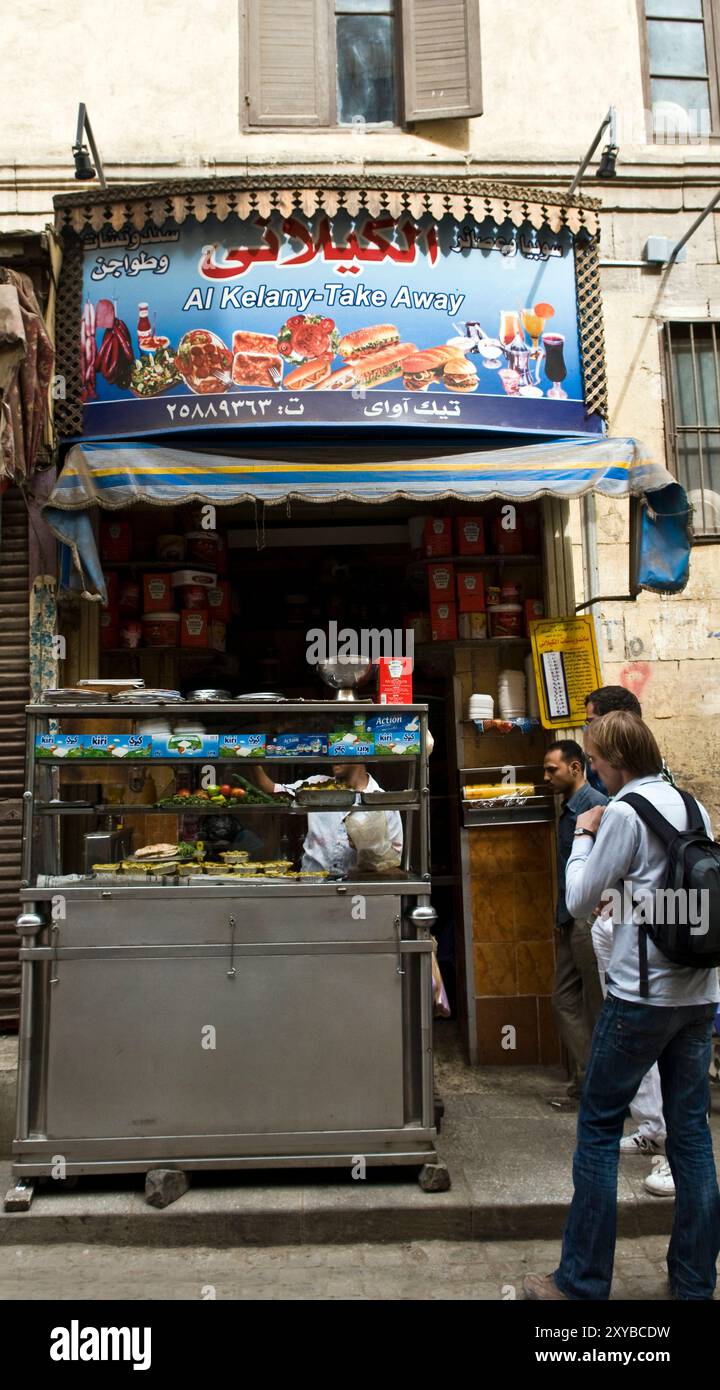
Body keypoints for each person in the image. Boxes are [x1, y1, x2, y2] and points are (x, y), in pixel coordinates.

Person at [524, 711, 720, 1301]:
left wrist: (584, 835)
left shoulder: (623, 812)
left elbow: (581, 899)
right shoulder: (692, 805)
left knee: (599, 1126)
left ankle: (580, 1283)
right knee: (691, 1133)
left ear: (611, 760)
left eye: (596, 759)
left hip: (641, 997)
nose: (597, 771)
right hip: (698, 993)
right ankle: (693, 1283)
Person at [585, 686, 670, 1167]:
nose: (587, 741)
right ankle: (651, 1129)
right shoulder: (631, 787)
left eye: (593, 723)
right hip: (624, 925)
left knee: (646, 1042)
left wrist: (585, 844)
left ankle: (667, 1152)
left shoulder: (638, 792)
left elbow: (646, 865)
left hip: (644, 939)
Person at [543, 740, 608, 1110]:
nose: (547, 777)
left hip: (589, 917)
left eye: (553, 769)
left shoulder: (598, 807)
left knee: (596, 1003)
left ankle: (599, 1088)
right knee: (564, 999)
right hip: (571, 916)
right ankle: (593, 1078)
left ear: (576, 767)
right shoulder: (569, 808)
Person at [253, 761, 403, 874]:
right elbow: (271, 789)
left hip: (355, 889)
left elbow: (392, 862)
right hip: (312, 884)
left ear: (360, 754)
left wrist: (365, 848)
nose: (333, 756)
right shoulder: (315, 786)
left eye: (340, 750)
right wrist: (252, 757)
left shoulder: (382, 801)